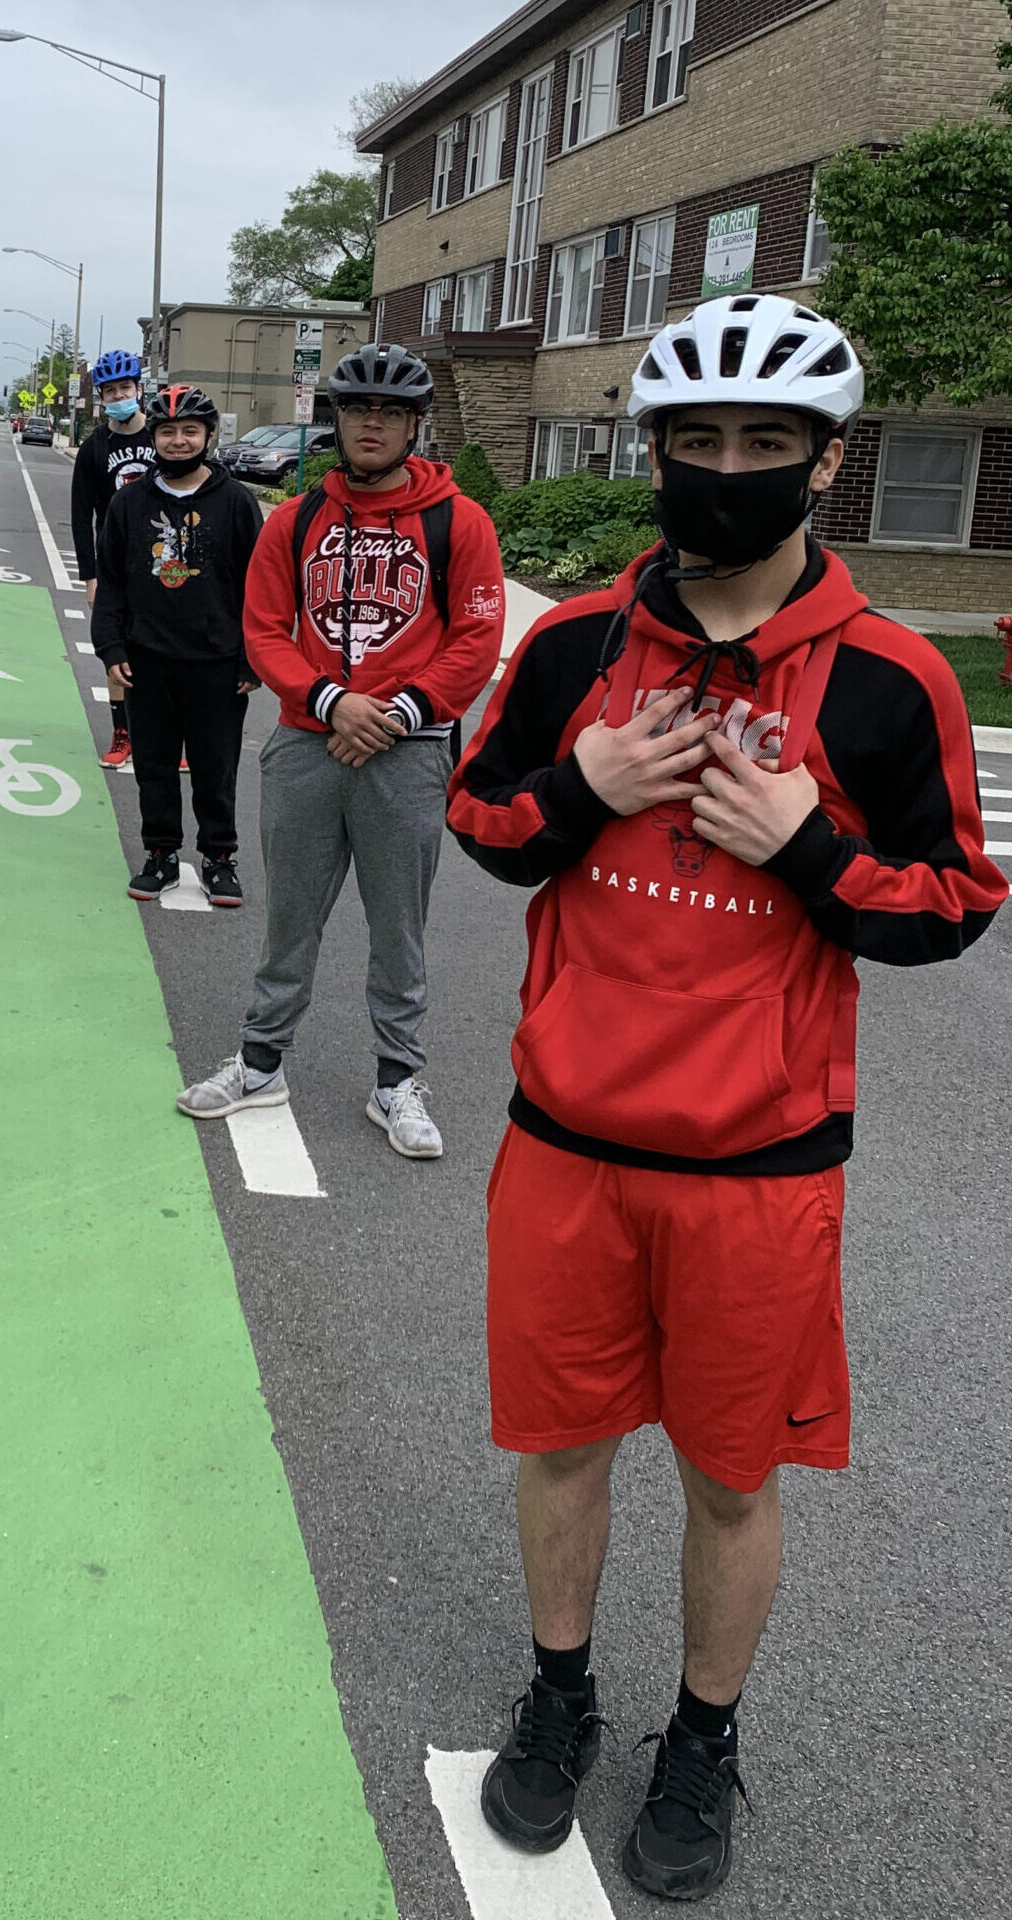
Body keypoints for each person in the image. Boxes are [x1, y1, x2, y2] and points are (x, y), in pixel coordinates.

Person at [445, 293, 1006, 1900]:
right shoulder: (571, 653)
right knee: (560, 1449)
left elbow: (957, 907)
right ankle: (560, 1699)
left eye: (767, 445)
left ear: (825, 465)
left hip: (759, 1168)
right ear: (657, 454)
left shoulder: (896, 681)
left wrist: (810, 849)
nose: (729, 471)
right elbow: (486, 830)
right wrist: (582, 788)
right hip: (565, 1145)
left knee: (729, 1473)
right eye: (699, 443)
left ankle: (705, 1734)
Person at [176, 345, 505, 1159]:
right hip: (306, 741)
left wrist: (391, 712)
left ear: (414, 426)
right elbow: (262, 631)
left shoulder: (459, 521)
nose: (372, 424)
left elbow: (476, 639)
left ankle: (397, 1080)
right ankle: (260, 1062)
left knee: (400, 927)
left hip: (406, 750)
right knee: (289, 918)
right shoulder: (293, 522)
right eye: (359, 409)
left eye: (390, 413)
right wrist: (331, 702)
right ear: (337, 419)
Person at [92, 384, 262, 904]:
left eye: (190, 431)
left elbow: (259, 584)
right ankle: (160, 855)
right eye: (168, 432)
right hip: (148, 660)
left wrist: (252, 656)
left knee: (216, 768)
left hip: (217, 663)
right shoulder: (130, 502)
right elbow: (113, 579)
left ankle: (219, 858)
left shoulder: (236, 503)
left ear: (208, 436)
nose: (179, 441)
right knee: (155, 767)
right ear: (155, 439)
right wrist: (112, 647)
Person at [72, 349, 157, 770]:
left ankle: (167, 735)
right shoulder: (94, 448)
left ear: (138, 389)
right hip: (115, 565)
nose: (119, 396)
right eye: (111, 391)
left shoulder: (160, 437)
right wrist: (89, 576)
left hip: (162, 559)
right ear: (102, 397)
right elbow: (79, 515)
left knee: (166, 649)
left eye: (125, 388)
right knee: (116, 650)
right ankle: (122, 733)